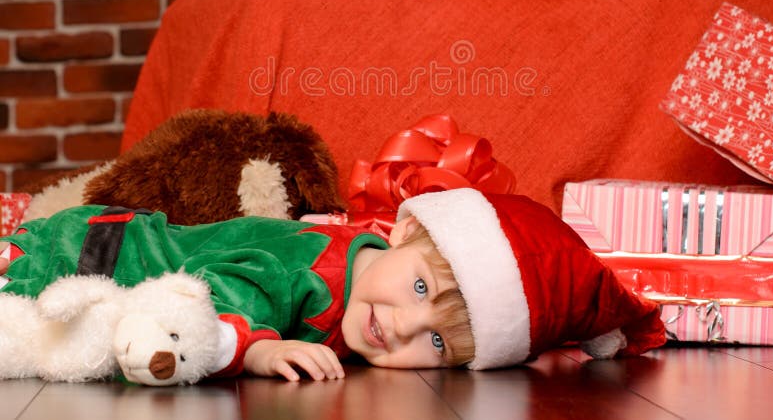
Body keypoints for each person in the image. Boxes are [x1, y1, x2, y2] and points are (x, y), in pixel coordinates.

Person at [0, 189, 666, 381]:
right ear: (402, 234)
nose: (403, 327)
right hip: (95, 252)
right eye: (418, 290)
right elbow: (223, 293)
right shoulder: (312, 268)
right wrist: (256, 350)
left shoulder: (366, 275)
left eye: (437, 342)